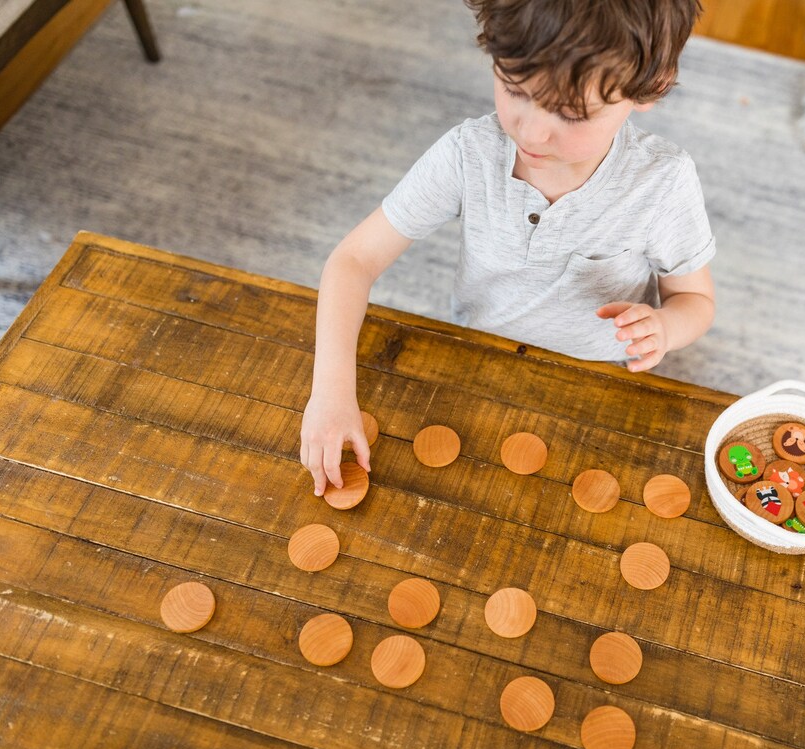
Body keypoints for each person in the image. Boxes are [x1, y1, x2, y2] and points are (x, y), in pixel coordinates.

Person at [300, 0, 716, 495]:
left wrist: (666, 327)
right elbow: (354, 260)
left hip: (602, 384)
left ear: (652, 85)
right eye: (515, 89)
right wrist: (330, 392)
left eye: (570, 113)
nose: (532, 131)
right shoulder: (468, 154)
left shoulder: (662, 183)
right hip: (477, 359)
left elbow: (696, 302)